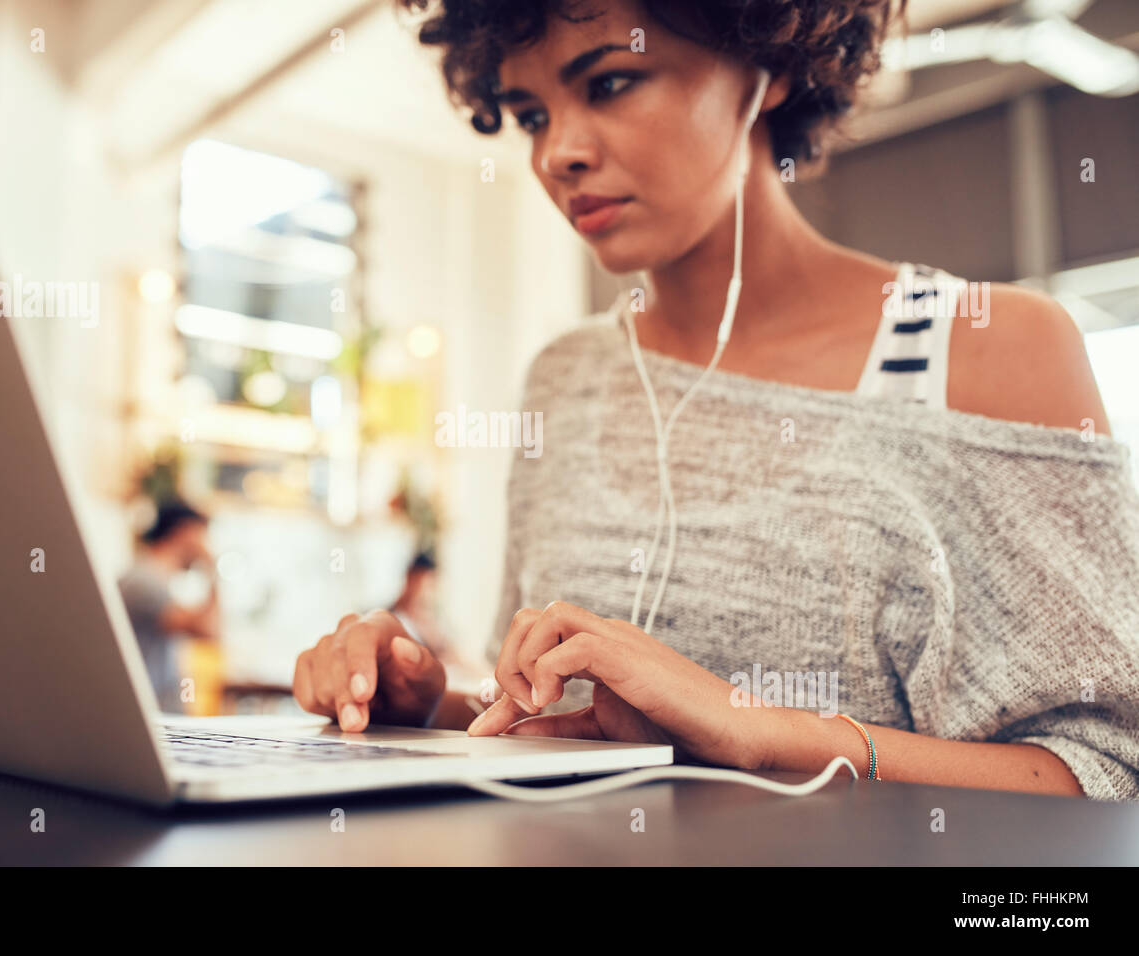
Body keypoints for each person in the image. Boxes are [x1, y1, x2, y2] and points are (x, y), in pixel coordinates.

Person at [293, 0, 1139, 799]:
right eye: (531, 114)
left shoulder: (986, 349)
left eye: (610, 82)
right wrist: (423, 707)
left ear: (766, 66)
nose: (557, 154)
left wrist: (760, 730)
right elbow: (546, 726)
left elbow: (1106, 773)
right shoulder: (567, 378)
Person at [118, 501, 220, 713]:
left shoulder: (152, 581)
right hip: (147, 714)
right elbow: (208, 630)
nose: (206, 544)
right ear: (186, 533)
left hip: (157, 712)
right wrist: (212, 568)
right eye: (203, 535)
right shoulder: (143, 582)